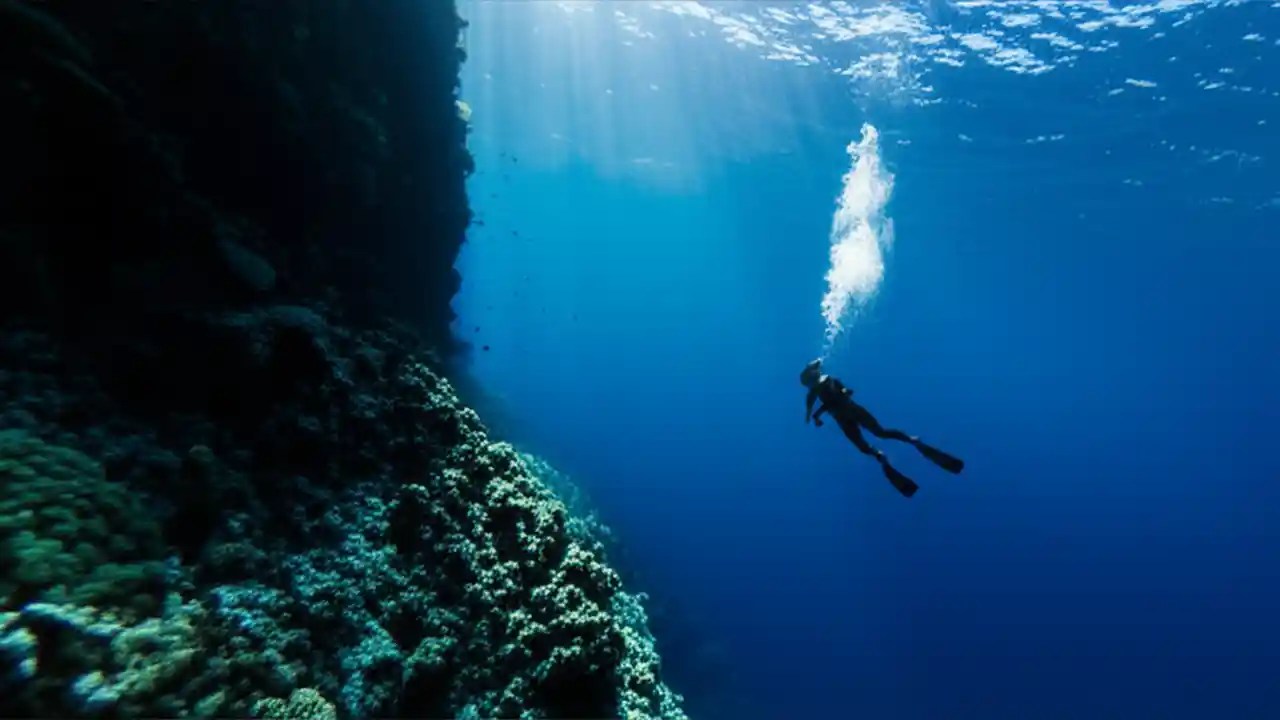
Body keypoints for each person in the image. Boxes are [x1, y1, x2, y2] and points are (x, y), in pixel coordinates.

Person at [801, 358, 963, 498]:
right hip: (848, 413)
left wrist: (814, 415)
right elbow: (829, 401)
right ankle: (901, 445)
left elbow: (821, 403)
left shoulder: (820, 386)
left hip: (846, 415)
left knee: (870, 441)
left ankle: (887, 452)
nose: (809, 385)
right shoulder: (824, 383)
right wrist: (817, 414)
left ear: (811, 377)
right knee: (877, 436)